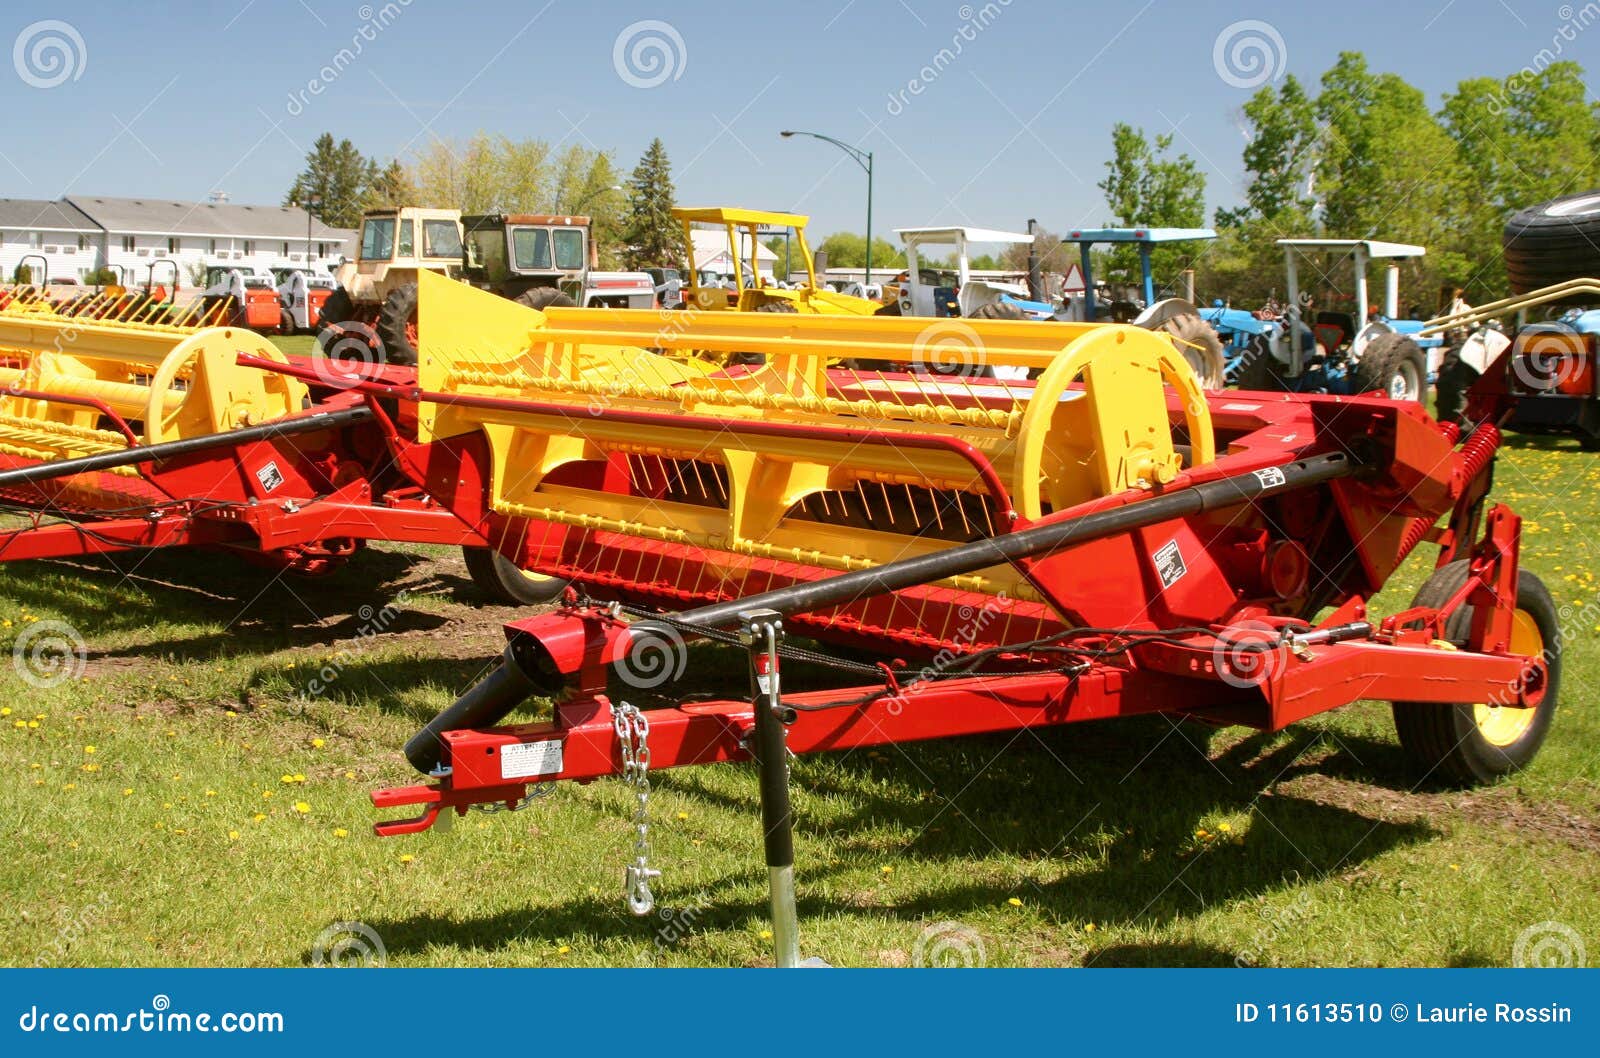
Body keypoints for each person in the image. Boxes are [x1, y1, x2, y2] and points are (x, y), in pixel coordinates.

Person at [1434, 285, 1475, 424]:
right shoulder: (1450, 310)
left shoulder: (1465, 309)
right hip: (1454, 338)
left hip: (1463, 338)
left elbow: (1472, 325)